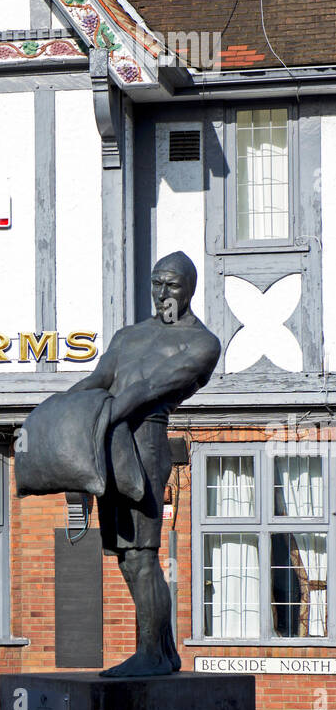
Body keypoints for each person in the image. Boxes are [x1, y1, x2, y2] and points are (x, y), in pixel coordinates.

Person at [66, 251, 221, 677]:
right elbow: (98, 381)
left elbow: (149, 388)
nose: (162, 293)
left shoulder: (202, 343)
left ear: (189, 287)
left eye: (171, 285)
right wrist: (58, 413)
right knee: (125, 554)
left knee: (142, 554)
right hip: (110, 437)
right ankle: (164, 654)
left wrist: (98, 417)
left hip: (144, 441)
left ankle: (152, 654)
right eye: (157, 283)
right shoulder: (128, 336)